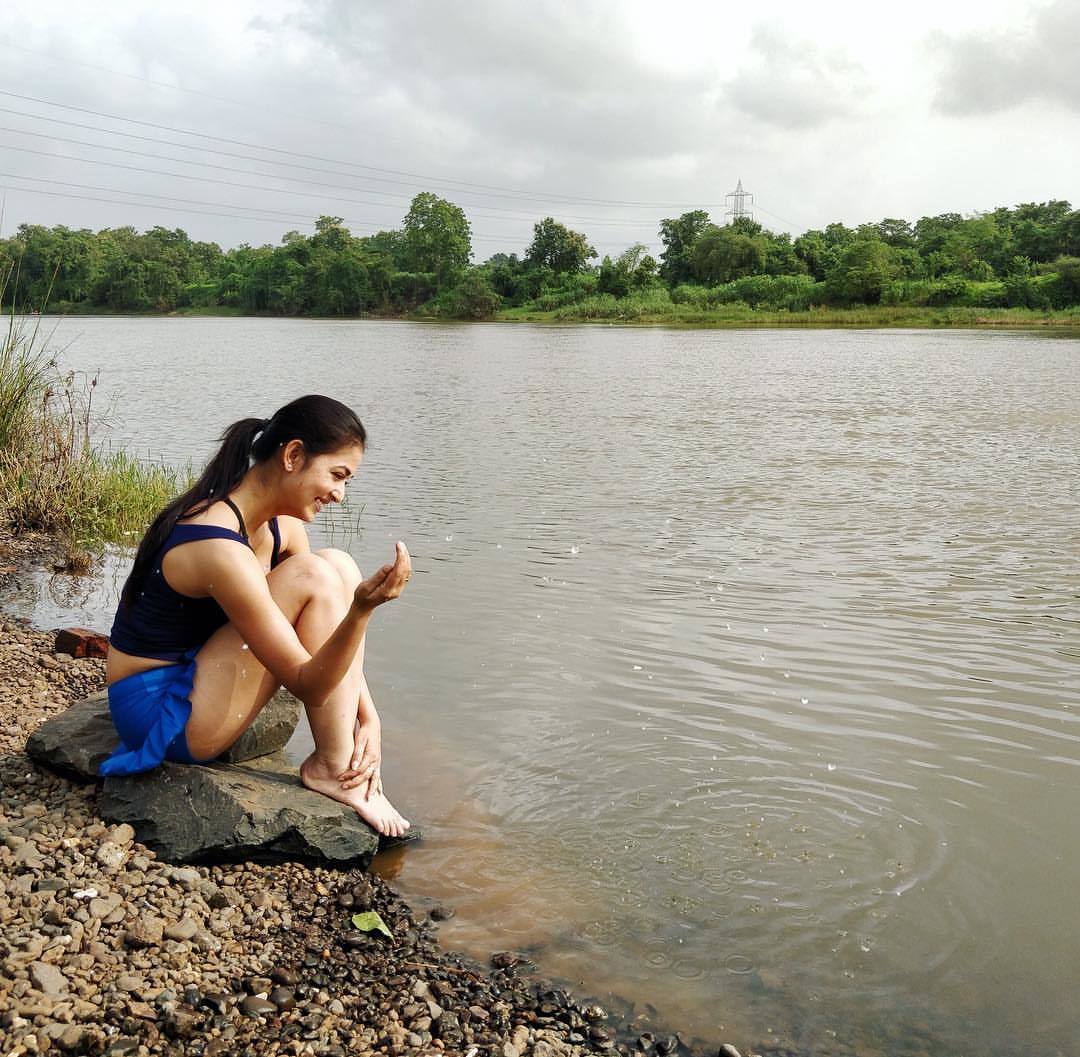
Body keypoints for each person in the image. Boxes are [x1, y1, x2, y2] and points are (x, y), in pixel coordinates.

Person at [99, 394, 411, 838]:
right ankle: (334, 769)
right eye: (337, 475)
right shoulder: (217, 546)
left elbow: (321, 630)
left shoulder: (282, 527)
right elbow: (309, 685)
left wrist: (369, 717)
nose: (340, 495)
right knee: (316, 575)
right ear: (293, 455)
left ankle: (338, 759)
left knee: (338, 565)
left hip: (199, 673)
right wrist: (362, 610)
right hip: (159, 713)